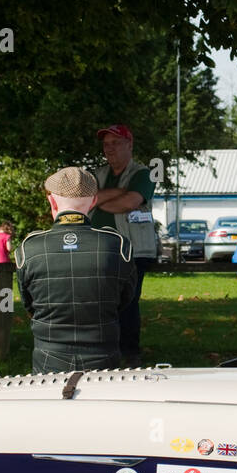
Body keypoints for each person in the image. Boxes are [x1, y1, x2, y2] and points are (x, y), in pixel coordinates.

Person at [16, 167, 136, 373]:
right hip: (103, 356)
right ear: (93, 201)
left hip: (48, 356)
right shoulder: (117, 245)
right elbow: (125, 299)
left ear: (51, 202)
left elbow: (29, 304)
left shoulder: (29, 248)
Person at [93, 125, 155, 366]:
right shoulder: (97, 174)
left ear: (130, 145)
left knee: (127, 301)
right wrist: (114, 193)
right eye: (106, 144)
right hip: (100, 249)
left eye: (116, 143)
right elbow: (85, 200)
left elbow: (130, 202)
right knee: (102, 301)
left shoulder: (143, 173)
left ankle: (130, 354)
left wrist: (98, 200)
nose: (110, 148)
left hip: (134, 250)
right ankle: (107, 350)